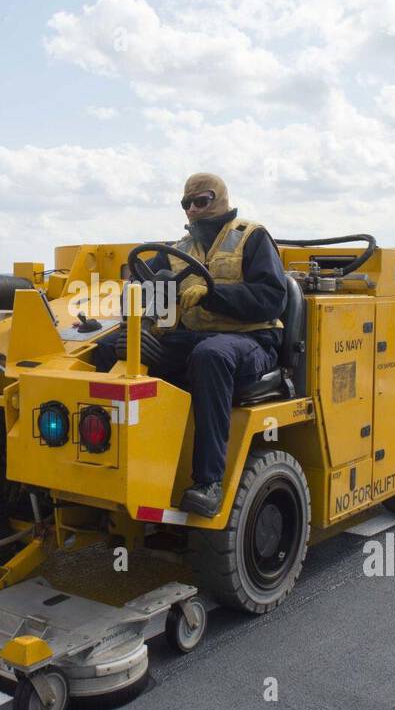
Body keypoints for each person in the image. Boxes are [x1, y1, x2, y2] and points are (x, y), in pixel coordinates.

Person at [94, 174, 287, 517]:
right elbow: (140, 286)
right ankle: (110, 460)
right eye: (188, 203)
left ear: (222, 199)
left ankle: (208, 482)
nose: (194, 209)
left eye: (203, 200)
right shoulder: (177, 251)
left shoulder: (251, 238)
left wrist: (215, 295)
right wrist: (141, 327)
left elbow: (272, 298)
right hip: (197, 338)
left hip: (251, 340)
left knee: (210, 355)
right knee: (111, 348)